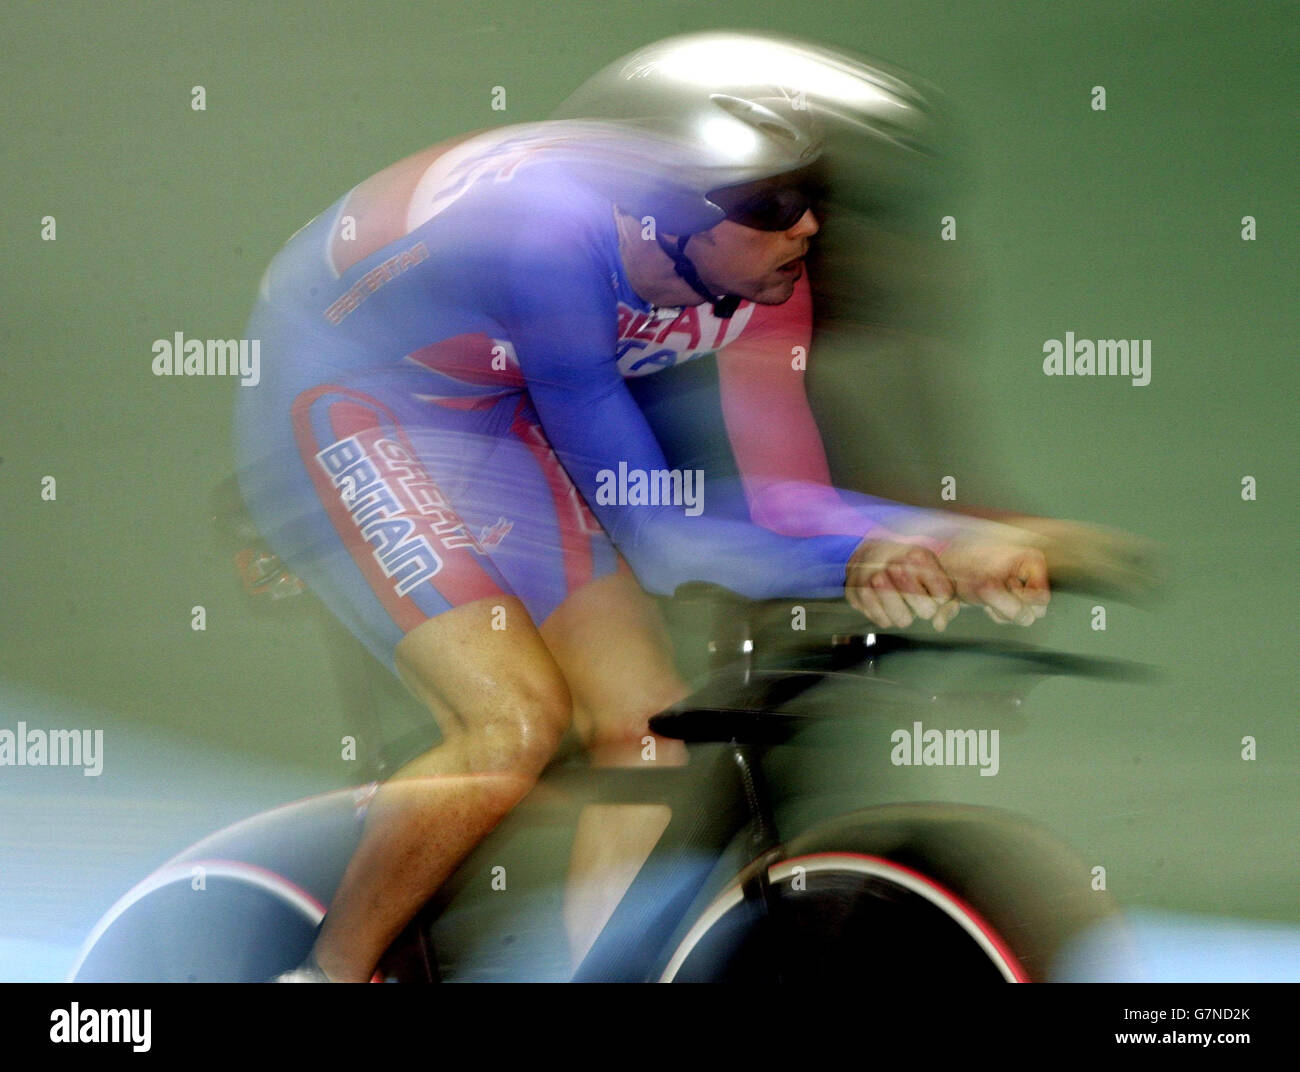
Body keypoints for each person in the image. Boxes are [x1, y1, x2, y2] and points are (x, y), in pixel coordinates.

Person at [236, 31, 1138, 982]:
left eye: (813, 197)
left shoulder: (761, 275)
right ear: (665, 212)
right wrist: (877, 552)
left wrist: (941, 539)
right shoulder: (552, 246)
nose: (807, 230)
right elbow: (660, 536)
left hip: (499, 402)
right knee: (512, 724)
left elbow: (786, 499)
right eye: (771, 203)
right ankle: (326, 975)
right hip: (352, 392)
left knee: (650, 731)